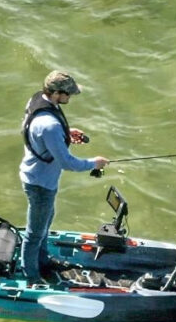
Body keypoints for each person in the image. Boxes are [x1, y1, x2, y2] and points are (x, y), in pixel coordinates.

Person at [19, 70, 109, 285]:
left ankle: (43, 260)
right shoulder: (49, 126)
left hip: (41, 177)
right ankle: (31, 276)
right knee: (34, 234)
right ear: (57, 93)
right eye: (68, 94)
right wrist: (94, 163)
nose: (71, 97)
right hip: (40, 183)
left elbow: (38, 133)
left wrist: (65, 134)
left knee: (45, 223)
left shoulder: (37, 100)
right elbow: (68, 163)